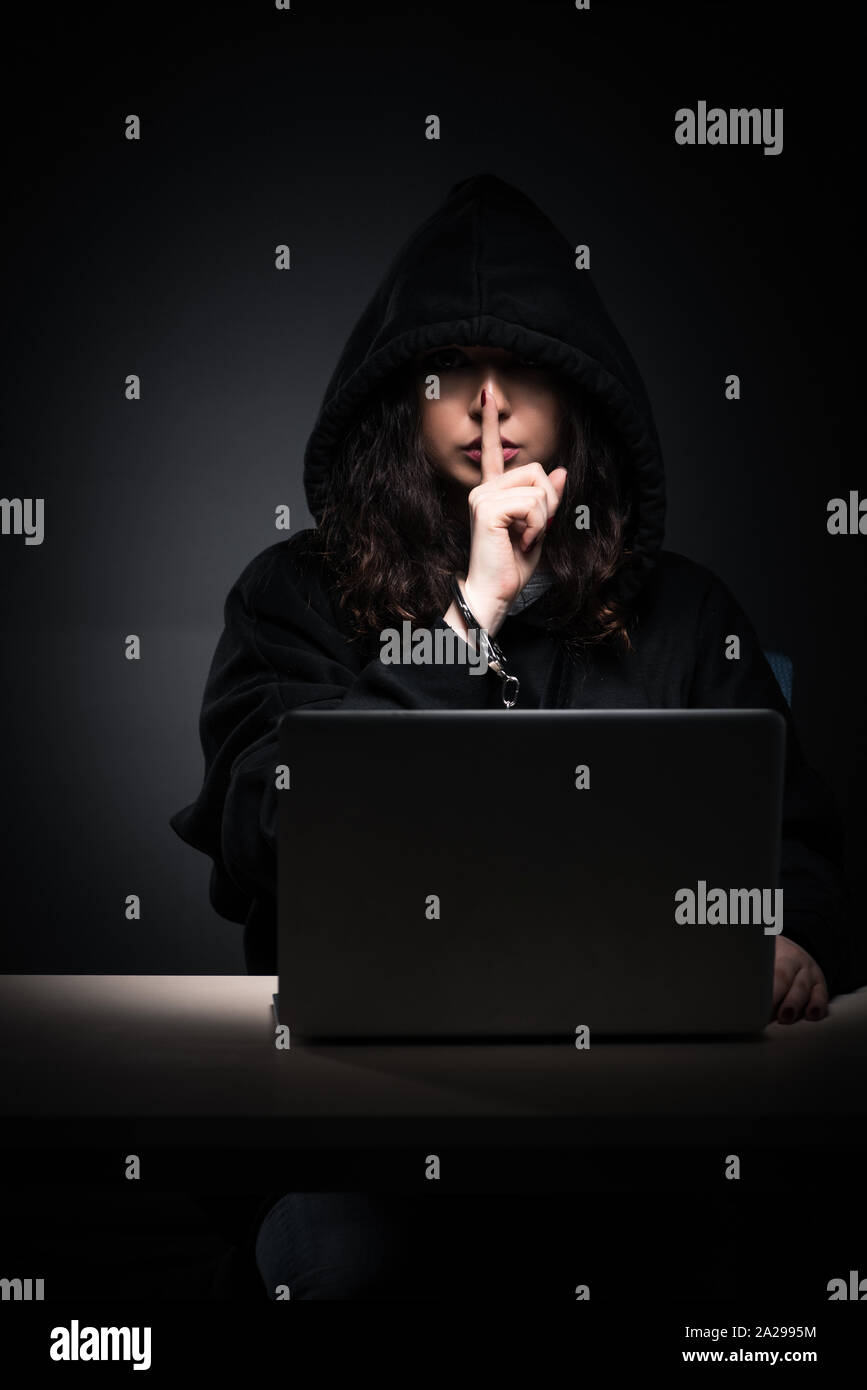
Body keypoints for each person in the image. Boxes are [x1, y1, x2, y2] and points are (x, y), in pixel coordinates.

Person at [170, 173, 851, 1298]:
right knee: (338, 1262)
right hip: (361, 1119)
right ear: (399, 401)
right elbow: (274, 826)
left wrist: (793, 938)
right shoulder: (291, 595)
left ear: (577, 398)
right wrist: (472, 610)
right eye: (450, 371)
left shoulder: (686, 613)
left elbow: (799, 844)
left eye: (521, 368)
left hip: (637, 1122)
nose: (488, 406)